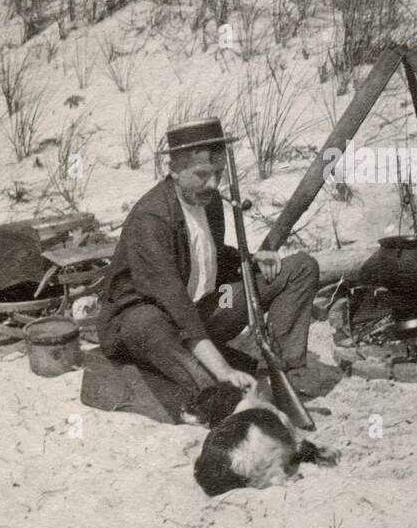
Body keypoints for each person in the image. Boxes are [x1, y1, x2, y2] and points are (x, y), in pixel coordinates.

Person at [97, 117, 323, 412]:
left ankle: (285, 373)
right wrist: (223, 370)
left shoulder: (208, 200)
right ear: (174, 170)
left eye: (219, 173)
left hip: (198, 313)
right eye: (202, 174)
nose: (214, 183)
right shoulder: (150, 219)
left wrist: (253, 261)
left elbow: (206, 256)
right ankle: (217, 393)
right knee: (147, 322)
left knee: (299, 267)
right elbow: (173, 300)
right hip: (150, 327)